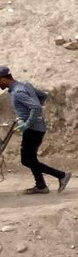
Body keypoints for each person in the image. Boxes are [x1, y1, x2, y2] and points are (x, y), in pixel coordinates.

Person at [0, 67, 70, 195]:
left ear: (4, 78)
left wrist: (27, 123)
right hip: (37, 128)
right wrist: (33, 116)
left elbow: (36, 106)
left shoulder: (18, 92)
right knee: (31, 158)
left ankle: (61, 175)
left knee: (26, 160)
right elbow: (43, 96)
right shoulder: (25, 85)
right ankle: (41, 185)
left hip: (32, 130)